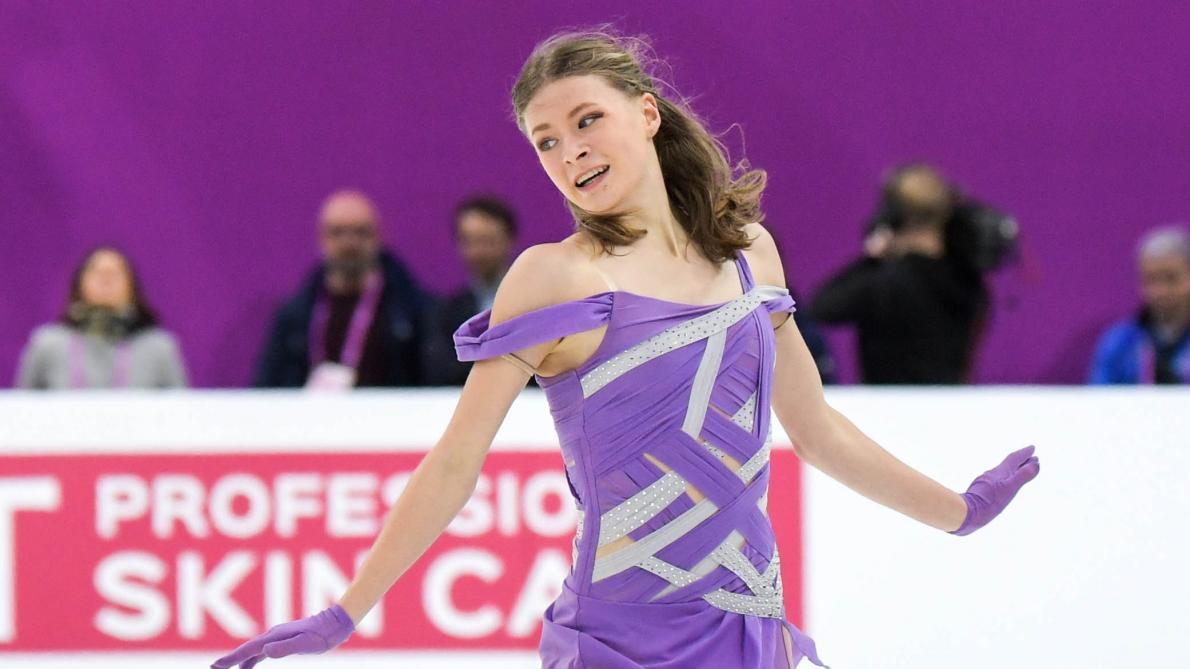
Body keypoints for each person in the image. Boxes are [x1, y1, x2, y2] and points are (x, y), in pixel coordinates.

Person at [213, 30, 1040, 669]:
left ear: (646, 112)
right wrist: (347, 612)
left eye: (585, 120)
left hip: (750, 627)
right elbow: (455, 462)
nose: (568, 151)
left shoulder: (751, 252)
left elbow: (817, 429)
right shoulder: (551, 276)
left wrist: (957, 512)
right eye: (544, 141)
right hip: (618, 642)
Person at [808, 164, 991, 384]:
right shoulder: (969, 281)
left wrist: (871, 260)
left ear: (893, 217)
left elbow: (822, 308)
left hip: (890, 411)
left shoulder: (883, 282)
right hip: (951, 407)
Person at [253, 190, 429, 389]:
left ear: (380, 236)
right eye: (338, 232)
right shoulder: (294, 315)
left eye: (360, 232)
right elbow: (266, 388)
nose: (349, 243)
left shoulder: (413, 312)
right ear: (321, 238)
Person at [16, 246, 187, 389]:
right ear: (79, 284)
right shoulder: (49, 344)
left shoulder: (158, 348)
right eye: (96, 271)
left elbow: (181, 414)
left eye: (116, 272)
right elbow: (22, 411)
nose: (106, 278)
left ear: (132, 287)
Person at [424, 196, 519, 385]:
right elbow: (440, 370)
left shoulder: (535, 303)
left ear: (509, 240)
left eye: (487, 241)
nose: (478, 252)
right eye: (469, 241)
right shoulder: (448, 312)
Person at [1090, 225, 1190, 384]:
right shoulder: (1119, 343)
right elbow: (1098, 402)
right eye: (1151, 280)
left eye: (1171, 278)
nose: (1161, 291)